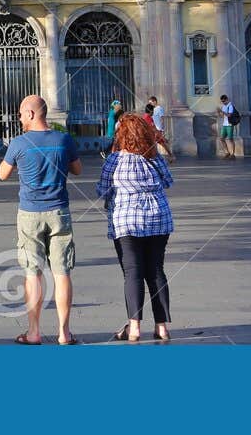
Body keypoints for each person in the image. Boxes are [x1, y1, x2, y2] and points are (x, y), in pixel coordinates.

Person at [0, 94, 81, 345]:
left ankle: (33, 332)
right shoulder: (64, 140)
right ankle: (64, 333)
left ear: (32, 114)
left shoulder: (19, 143)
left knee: (32, 273)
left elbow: (3, 174)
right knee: (62, 272)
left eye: (22, 113)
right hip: (59, 212)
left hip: (30, 214)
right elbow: (78, 170)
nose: (19, 117)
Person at [98, 111, 174, 342]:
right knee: (156, 271)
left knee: (133, 273)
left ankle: (134, 327)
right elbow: (168, 182)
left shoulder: (114, 159)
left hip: (126, 221)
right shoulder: (154, 158)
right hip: (158, 219)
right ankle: (161, 327)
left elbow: (101, 188)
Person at [217, 94, 238, 159]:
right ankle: (227, 152)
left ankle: (233, 154)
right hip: (224, 124)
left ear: (227, 100)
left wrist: (222, 112)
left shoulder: (230, 106)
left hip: (229, 125)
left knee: (230, 139)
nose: (223, 102)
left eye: (224, 101)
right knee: (221, 138)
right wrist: (219, 112)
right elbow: (222, 116)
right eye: (222, 101)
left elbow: (229, 115)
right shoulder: (223, 106)